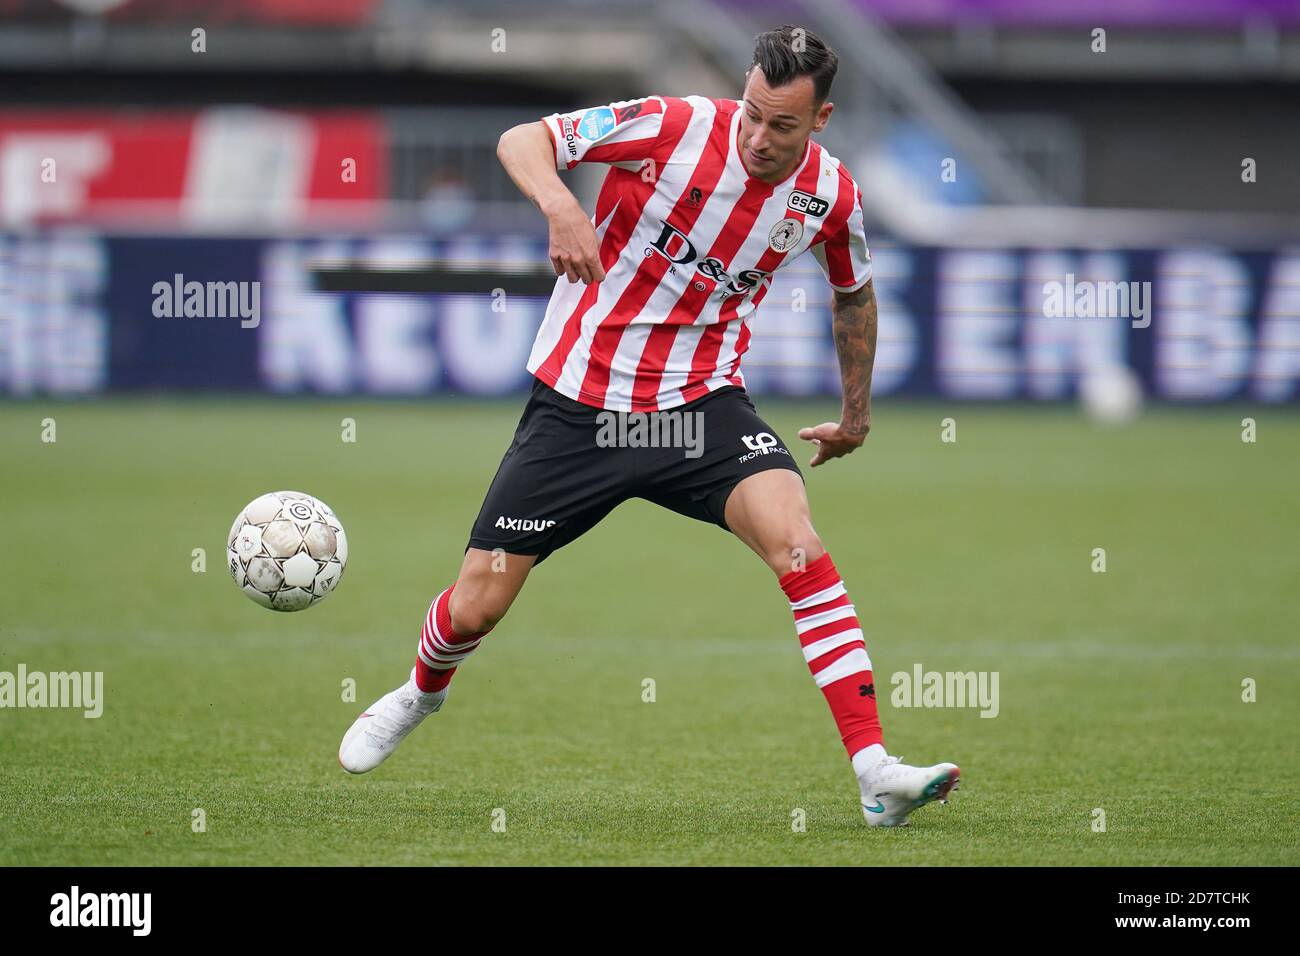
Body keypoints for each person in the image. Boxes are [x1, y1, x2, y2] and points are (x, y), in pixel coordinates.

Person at [339, 25, 960, 828]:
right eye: (752, 114)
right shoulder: (671, 126)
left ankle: (875, 771)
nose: (759, 138)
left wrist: (856, 415)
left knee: (797, 542)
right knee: (476, 608)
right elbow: (523, 137)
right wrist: (561, 204)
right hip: (582, 409)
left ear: (823, 120)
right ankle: (420, 694)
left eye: (783, 126)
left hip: (700, 409)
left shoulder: (831, 197)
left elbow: (854, 293)